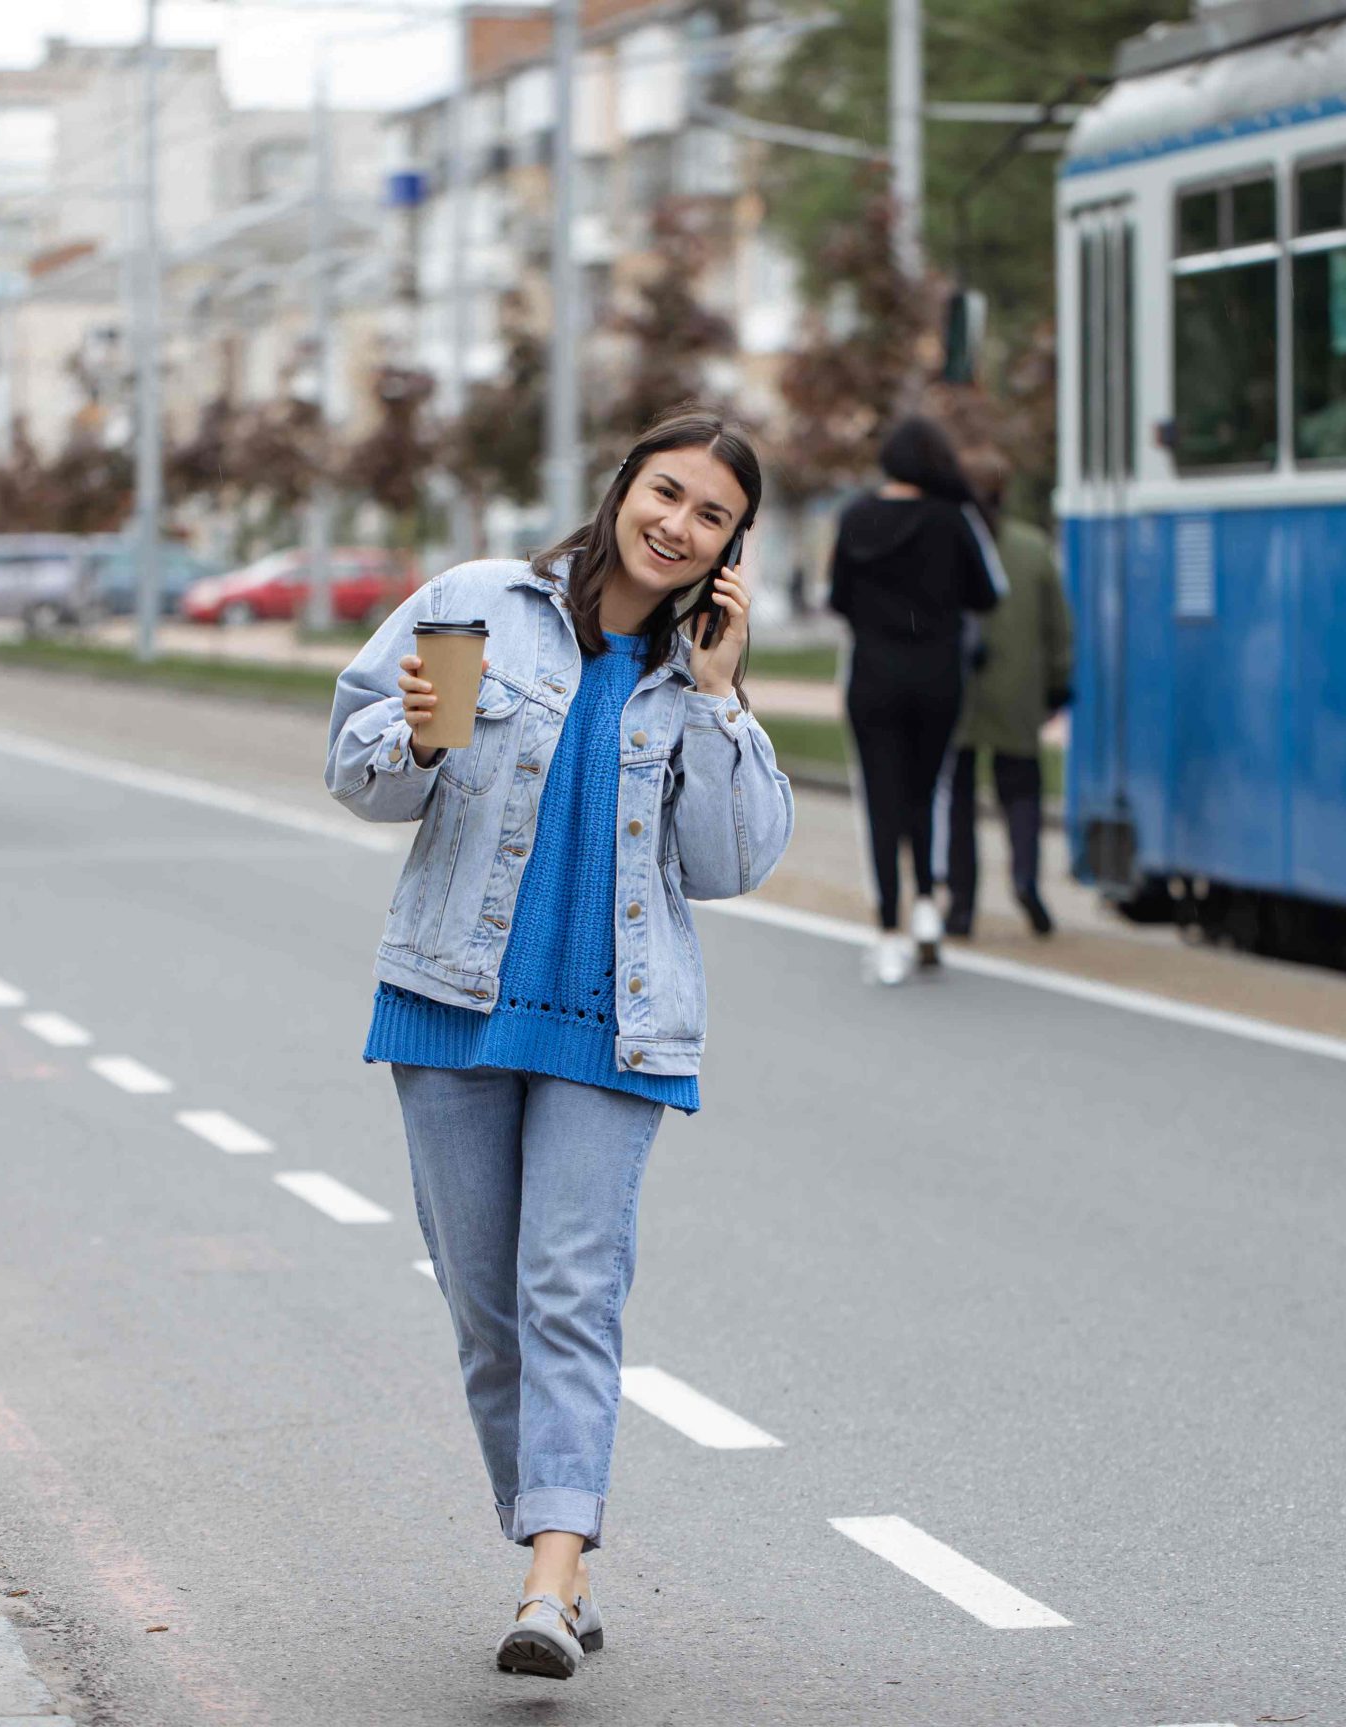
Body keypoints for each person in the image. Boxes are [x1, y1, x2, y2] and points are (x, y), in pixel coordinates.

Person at [324, 408, 793, 1683]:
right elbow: (360, 772)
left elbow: (731, 863)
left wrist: (715, 695)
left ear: (731, 549)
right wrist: (415, 735)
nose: (677, 524)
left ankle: (547, 1580)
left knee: (570, 1294)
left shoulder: (697, 676)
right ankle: (556, 1556)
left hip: (614, 1029)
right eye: (666, 490)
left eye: (711, 516)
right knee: (490, 1319)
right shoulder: (480, 605)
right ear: (622, 485)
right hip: (451, 1002)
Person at [827, 416, 1001, 984]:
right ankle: (927, 905)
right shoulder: (953, 521)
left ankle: (886, 934)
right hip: (937, 677)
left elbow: (839, 599)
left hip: (873, 675)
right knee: (927, 792)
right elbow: (986, 595)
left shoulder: (855, 518)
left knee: (879, 799)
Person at [943, 447, 1071, 940]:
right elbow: (1058, 625)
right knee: (1021, 792)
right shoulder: (1034, 547)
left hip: (961, 689)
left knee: (958, 801)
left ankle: (962, 902)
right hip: (1020, 690)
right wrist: (1058, 681)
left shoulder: (951, 544)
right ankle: (1024, 878)